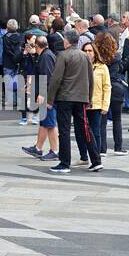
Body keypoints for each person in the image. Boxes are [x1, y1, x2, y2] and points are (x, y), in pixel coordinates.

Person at [46, 31, 98, 173]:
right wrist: (89, 98)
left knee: (64, 130)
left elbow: (56, 79)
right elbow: (90, 79)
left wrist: (50, 99)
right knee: (85, 128)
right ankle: (96, 160)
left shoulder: (63, 55)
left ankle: (64, 163)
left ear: (67, 42)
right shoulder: (85, 56)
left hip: (65, 98)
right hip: (81, 98)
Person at [21, 35, 59, 162]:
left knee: (50, 124)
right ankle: (38, 148)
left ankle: (54, 151)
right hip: (47, 95)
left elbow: (47, 76)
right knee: (44, 123)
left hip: (47, 96)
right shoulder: (45, 55)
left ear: (37, 46)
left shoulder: (46, 57)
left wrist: (42, 94)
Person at [83, 39, 109, 163]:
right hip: (82, 103)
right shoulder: (80, 65)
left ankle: (96, 156)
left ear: (94, 52)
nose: (88, 53)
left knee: (96, 131)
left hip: (97, 104)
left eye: (90, 50)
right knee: (83, 132)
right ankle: (84, 156)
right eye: (85, 50)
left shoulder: (102, 67)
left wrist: (105, 105)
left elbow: (107, 87)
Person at [103, 31, 129, 155]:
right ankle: (118, 147)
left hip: (104, 88)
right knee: (117, 119)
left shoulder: (100, 58)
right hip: (117, 88)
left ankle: (102, 148)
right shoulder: (117, 57)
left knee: (102, 119)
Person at [1, 19, 26, 120]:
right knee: (18, 81)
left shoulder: (6, 37)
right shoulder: (20, 36)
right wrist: (17, 58)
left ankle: (11, 101)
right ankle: (19, 101)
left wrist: (12, 57)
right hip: (18, 61)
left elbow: (7, 50)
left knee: (8, 81)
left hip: (8, 62)